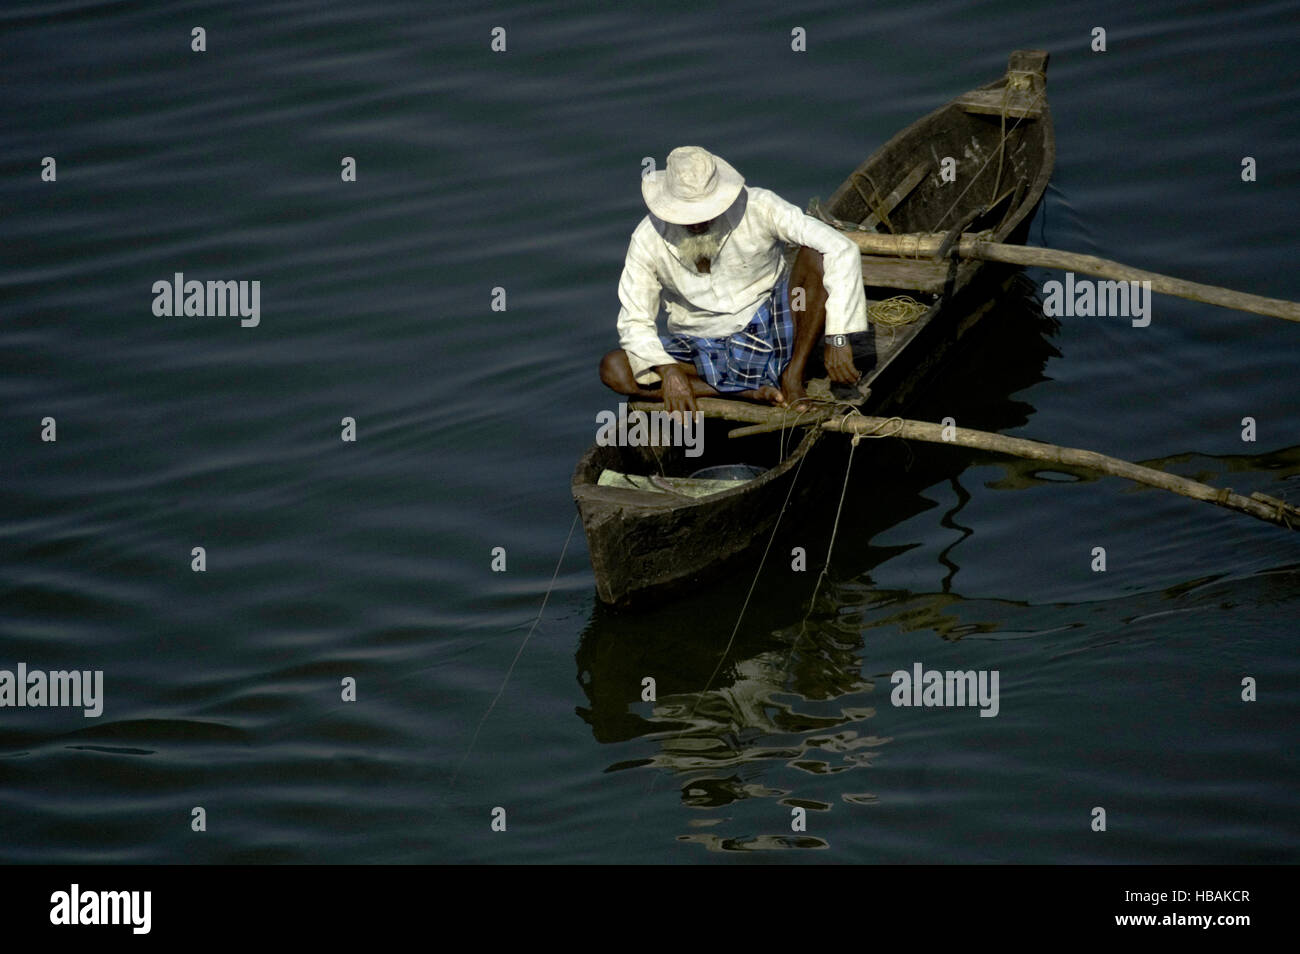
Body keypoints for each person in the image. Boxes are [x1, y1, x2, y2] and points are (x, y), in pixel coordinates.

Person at [600, 145, 869, 416]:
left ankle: (792, 375)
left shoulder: (759, 206)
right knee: (615, 369)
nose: (697, 223)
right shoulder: (647, 238)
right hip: (701, 344)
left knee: (815, 257)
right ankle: (748, 392)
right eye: (686, 216)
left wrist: (837, 337)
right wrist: (668, 371)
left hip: (777, 321)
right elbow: (634, 322)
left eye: (705, 213)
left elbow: (840, 247)